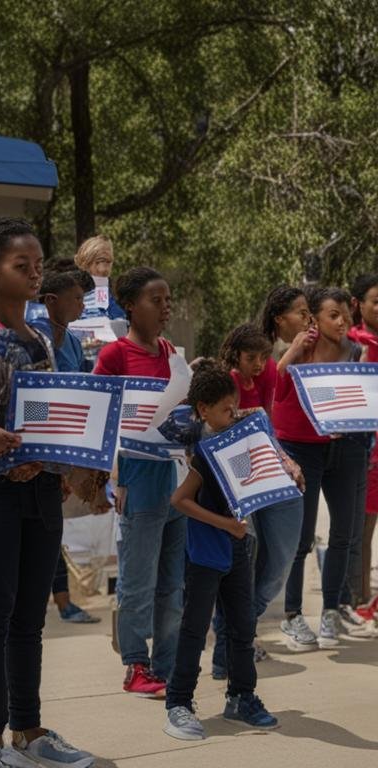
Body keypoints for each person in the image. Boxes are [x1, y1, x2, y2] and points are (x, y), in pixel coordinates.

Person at [0, 216, 95, 768]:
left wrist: (55, 458)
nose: (34, 274)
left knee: (31, 619)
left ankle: (29, 732)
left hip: (42, 491)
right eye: (21, 265)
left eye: (38, 265)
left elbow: (46, 415)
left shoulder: (40, 338)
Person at [163, 362, 283, 740]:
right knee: (195, 628)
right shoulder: (203, 451)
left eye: (235, 407)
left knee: (242, 627)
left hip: (237, 549)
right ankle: (179, 703)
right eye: (226, 409)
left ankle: (241, 696)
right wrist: (225, 524)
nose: (233, 414)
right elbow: (180, 500)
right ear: (204, 410)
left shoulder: (237, 441)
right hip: (205, 552)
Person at [93, 267, 182, 697]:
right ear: (130, 305)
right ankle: (135, 664)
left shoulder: (171, 353)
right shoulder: (115, 356)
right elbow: (96, 415)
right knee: (137, 581)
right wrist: (105, 478)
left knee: (174, 584)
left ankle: (167, 665)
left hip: (177, 479)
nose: (165, 309)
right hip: (138, 477)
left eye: (168, 301)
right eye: (156, 300)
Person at [206, 321, 307, 677]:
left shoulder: (266, 376)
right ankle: (232, 646)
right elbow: (216, 427)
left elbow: (268, 428)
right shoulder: (226, 381)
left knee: (279, 560)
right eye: (252, 358)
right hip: (233, 479)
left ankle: (243, 627)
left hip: (265, 470)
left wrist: (286, 460)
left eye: (264, 357)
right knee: (242, 564)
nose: (259, 364)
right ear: (236, 355)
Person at [275, 285, 371, 648]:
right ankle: (293, 615)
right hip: (301, 448)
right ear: (314, 319)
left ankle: (331, 610)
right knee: (300, 538)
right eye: (333, 315)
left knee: (344, 534)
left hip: (346, 448)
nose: (343, 322)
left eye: (346, 315)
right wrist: (292, 353)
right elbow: (275, 390)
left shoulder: (356, 351)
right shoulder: (299, 350)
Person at [30, 268, 101, 625]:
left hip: (64, 450)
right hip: (35, 452)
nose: (81, 306)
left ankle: (61, 600)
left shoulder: (72, 341)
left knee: (52, 531)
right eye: (76, 298)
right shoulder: (33, 338)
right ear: (51, 301)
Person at [345, 274, 378, 627]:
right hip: (365, 450)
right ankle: (359, 598)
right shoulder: (351, 343)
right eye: (376, 301)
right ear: (359, 304)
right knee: (361, 529)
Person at [72, 235, 125, 321]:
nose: (106, 253)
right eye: (99, 250)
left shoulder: (115, 291)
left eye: (108, 261)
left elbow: (120, 318)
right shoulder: (72, 289)